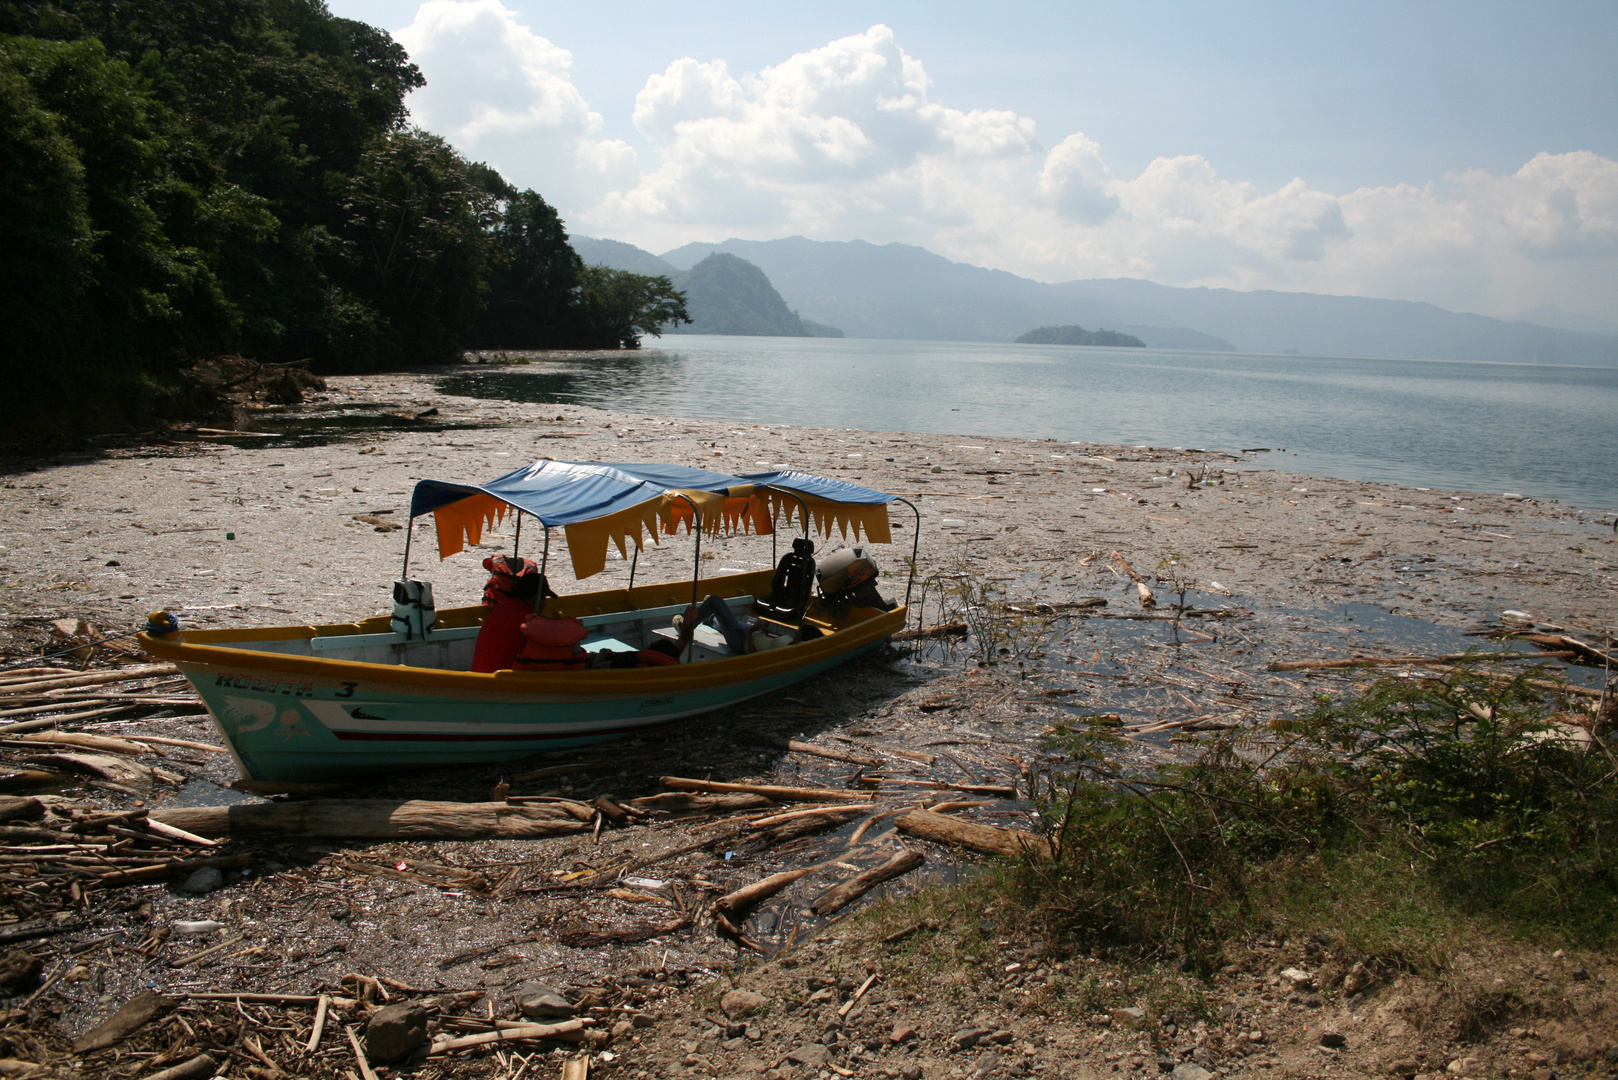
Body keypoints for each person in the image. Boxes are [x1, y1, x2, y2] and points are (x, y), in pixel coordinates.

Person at [673, 594, 817, 656]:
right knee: (725, 619)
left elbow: (755, 655)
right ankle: (710, 616)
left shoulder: (785, 651)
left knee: (714, 600)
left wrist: (750, 634)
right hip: (750, 633)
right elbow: (773, 638)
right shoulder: (790, 642)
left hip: (742, 641)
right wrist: (764, 629)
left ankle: (686, 627)